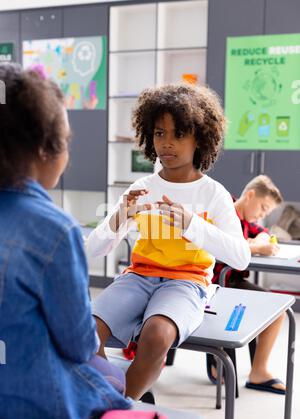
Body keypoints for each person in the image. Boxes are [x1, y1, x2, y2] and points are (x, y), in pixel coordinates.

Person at [87, 83, 251, 401]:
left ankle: (125, 404)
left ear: (200, 138)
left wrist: (192, 225)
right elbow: (93, 250)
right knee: (83, 334)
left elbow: (241, 257)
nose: (167, 144)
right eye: (160, 133)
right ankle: (116, 394)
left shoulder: (212, 193)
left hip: (187, 282)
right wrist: (121, 214)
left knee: (157, 334)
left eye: (178, 134)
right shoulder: (141, 187)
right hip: (139, 276)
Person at [0, 63, 130, 419]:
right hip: (27, 402)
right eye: (68, 140)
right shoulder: (54, 230)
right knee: (112, 377)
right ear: (46, 148)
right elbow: (77, 345)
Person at [211, 174, 286, 394]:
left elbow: (263, 233)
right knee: (272, 308)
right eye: (263, 208)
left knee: (277, 308)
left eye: (267, 212)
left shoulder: (245, 219)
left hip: (233, 282)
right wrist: (253, 247)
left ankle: (259, 371)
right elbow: (224, 247)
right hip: (217, 285)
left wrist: (259, 241)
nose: (262, 215)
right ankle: (224, 360)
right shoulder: (224, 212)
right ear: (250, 195)